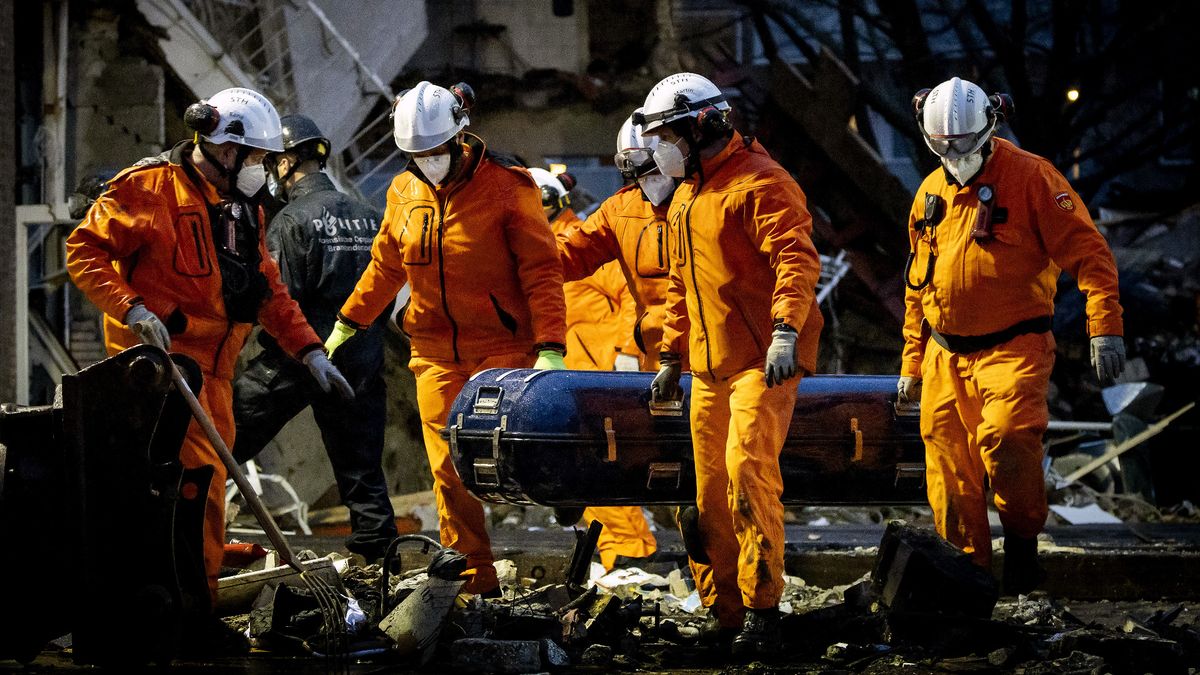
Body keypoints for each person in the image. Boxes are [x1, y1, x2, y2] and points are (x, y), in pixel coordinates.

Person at [65, 88, 350, 615]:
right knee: (201, 491)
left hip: (213, 376)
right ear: (225, 149)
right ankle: (195, 609)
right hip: (159, 374)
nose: (263, 168)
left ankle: (178, 599)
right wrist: (132, 310)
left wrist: (310, 350)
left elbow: (266, 289)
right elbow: (84, 251)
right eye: (259, 158)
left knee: (198, 492)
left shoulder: (242, 210)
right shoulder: (148, 189)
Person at [323, 81, 568, 596]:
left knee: (511, 456)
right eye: (415, 154)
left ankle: (570, 508)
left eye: (434, 151)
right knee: (448, 469)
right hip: (433, 352)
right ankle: (475, 580)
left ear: (459, 137)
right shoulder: (403, 191)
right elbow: (386, 266)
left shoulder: (508, 185)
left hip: (501, 347)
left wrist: (549, 347)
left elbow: (542, 272)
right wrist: (348, 322)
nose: (427, 160)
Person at [898, 77, 1125, 594]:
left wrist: (1104, 327)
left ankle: (1022, 546)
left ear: (989, 127)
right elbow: (917, 285)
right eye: (942, 146)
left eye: (962, 144)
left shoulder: (1032, 178)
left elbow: (1089, 254)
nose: (953, 154)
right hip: (943, 353)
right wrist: (912, 363)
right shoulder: (929, 193)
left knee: (1007, 440)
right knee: (949, 468)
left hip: (1013, 346)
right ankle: (966, 577)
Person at [641, 73, 823, 657]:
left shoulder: (762, 183)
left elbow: (796, 259)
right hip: (708, 369)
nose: (661, 146)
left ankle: (763, 612)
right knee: (709, 497)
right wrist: (671, 353)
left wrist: (785, 332)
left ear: (703, 126)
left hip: (760, 363)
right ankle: (726, 616)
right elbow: (680, 284)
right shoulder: (691, 193)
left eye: (668, 133)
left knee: (748, 480)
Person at [231, 114, 398, 563]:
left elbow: (278, 297)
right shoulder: (370, 216)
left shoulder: (290, 221)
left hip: (298, 357)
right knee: (363, 472)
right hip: (360, 358)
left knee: (223, 442)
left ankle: (185, 532)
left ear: (285, 162)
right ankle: (383, 567)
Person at [528, 165, 658, 570]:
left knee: (597, 464)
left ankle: (627, 555)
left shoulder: (574, 243)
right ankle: (626, 553)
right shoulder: (544, 244)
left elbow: (632, 296)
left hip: (598, 374)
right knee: (592, 467)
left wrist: (625, 353)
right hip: (572, 377)